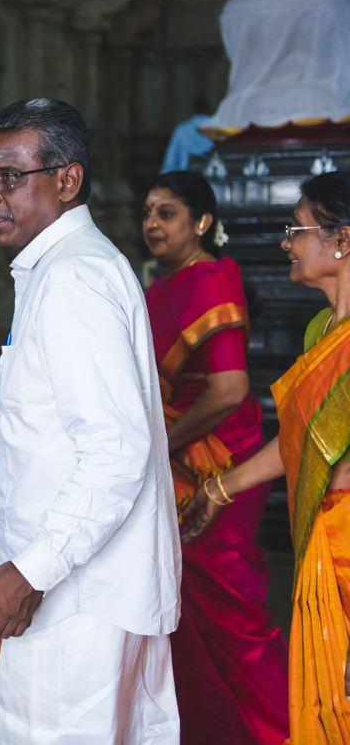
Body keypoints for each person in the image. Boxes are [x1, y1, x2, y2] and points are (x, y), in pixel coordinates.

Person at [0, 98, 182, 743]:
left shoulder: (74, 278)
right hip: (75, 588)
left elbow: (115, 451)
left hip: (78, 598)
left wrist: (33, 571)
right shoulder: (62, 268)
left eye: (9, 177)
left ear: (67, 180)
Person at [183, 170, 350, 743]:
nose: (284, 242)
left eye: (296, 230)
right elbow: (301, 441)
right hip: (320, 547)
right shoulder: (321, 331)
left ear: (342, 240)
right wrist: (218, 488)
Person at [142, 171, 288, 744]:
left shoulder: (211, 281)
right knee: (184, 613)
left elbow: (229, 390)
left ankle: (284, 729)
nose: (152, 224)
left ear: (202, 222)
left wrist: (160, 445)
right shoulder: (166, 283)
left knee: (231, 615)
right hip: (181, 460)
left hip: (219, 465)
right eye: (148, 212)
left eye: (167, 213)